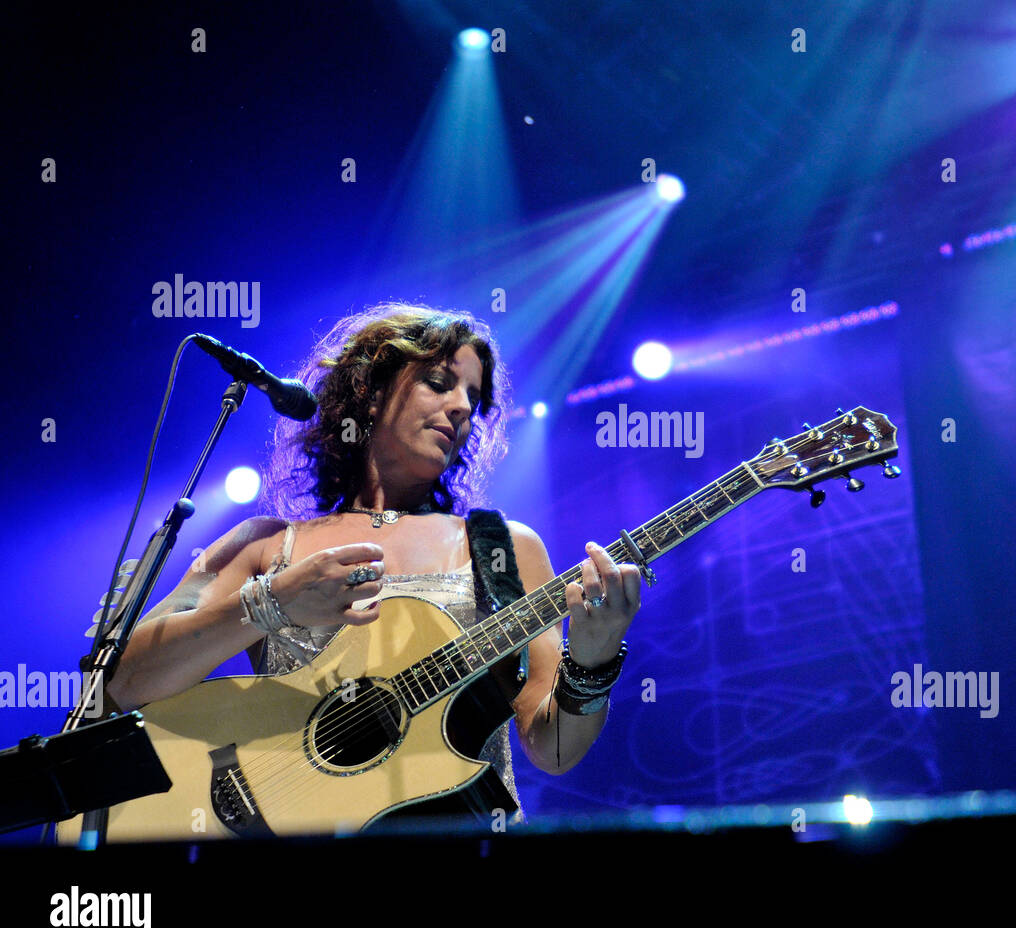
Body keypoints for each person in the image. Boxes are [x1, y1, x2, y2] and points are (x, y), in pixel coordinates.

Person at [105, 303, 641, 823]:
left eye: (473, 399)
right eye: (438, 382)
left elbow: (552, 751)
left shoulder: (503, 547)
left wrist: (592, 663)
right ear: (372, 389)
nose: (461, 408)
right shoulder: (263, 545)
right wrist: (270, 604)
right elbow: (124, 681)